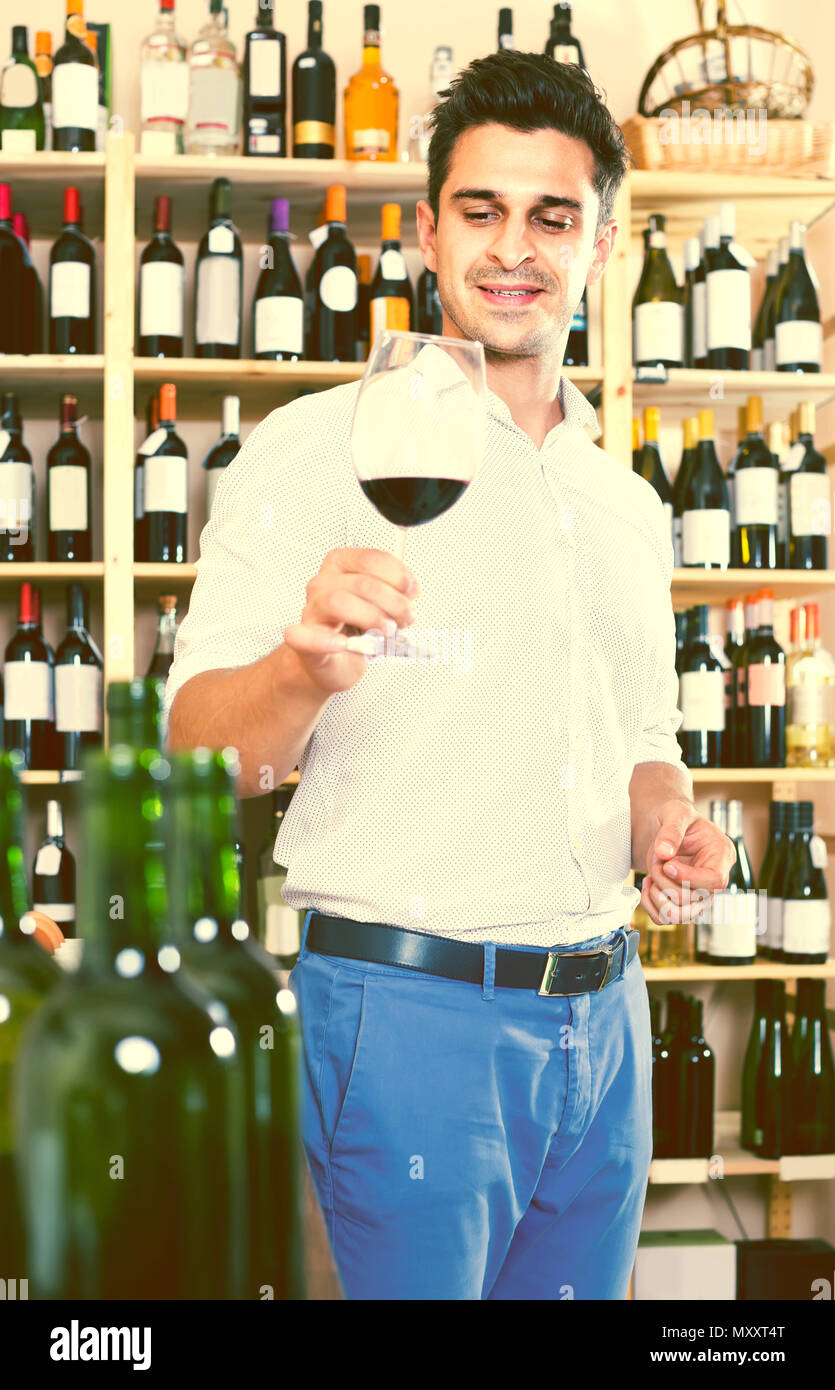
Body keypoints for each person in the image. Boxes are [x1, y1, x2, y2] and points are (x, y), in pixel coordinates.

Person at [163, 50, 735, 1300]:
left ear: (604, 241)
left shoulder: (628, 502)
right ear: (428, 232)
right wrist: (302, 672)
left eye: (551, 215)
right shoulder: (314, 450)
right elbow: (201, 752)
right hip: (409, 1011)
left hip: (607, 1020)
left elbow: (640, 733)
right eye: (479, 210)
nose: (512, 247)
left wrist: (668, 820)